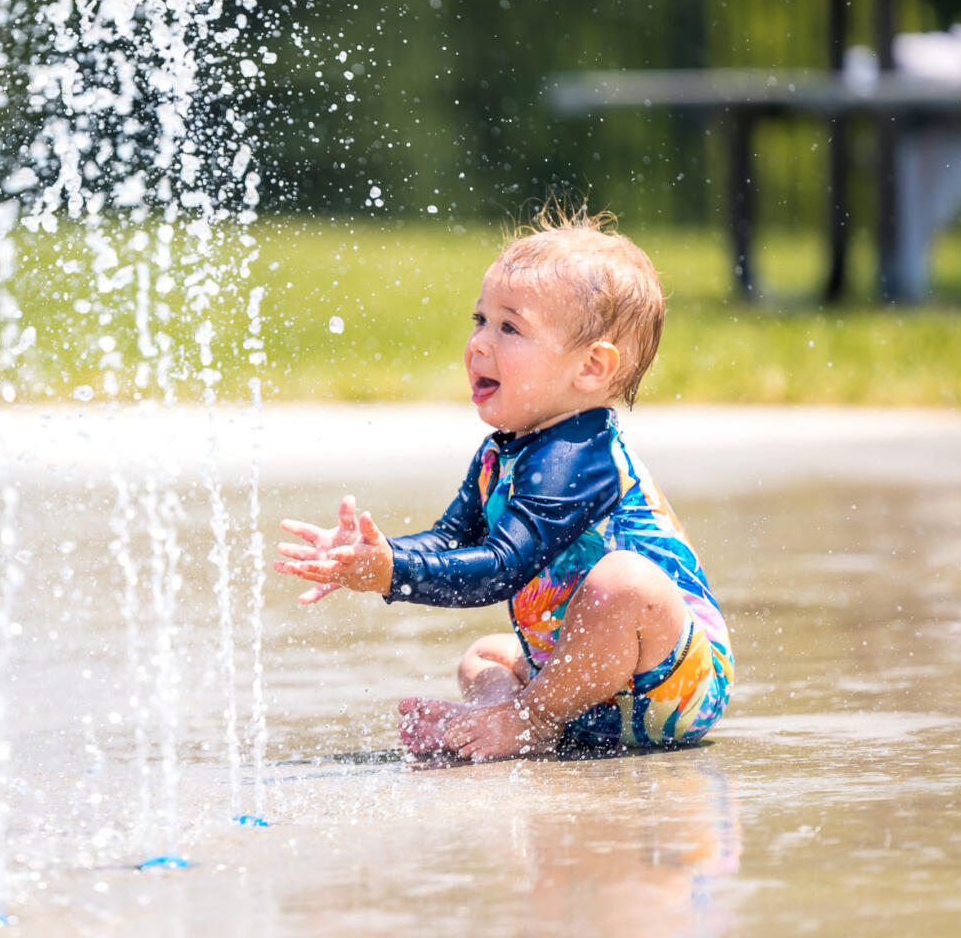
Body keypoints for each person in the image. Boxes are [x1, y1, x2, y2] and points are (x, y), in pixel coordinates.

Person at [275, 207, 733, 759]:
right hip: (586, 691)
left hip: (668, 685)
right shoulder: (503, 451)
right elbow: (451, 539)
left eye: (510, 327)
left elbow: (499, 568)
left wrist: (393, 575)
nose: (478, 345)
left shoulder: (579, 457)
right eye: (480, 321)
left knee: (626, 582)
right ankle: (508, 715)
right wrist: (378, 554)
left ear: (590, 368)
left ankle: (526, 720)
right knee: (484, 656)